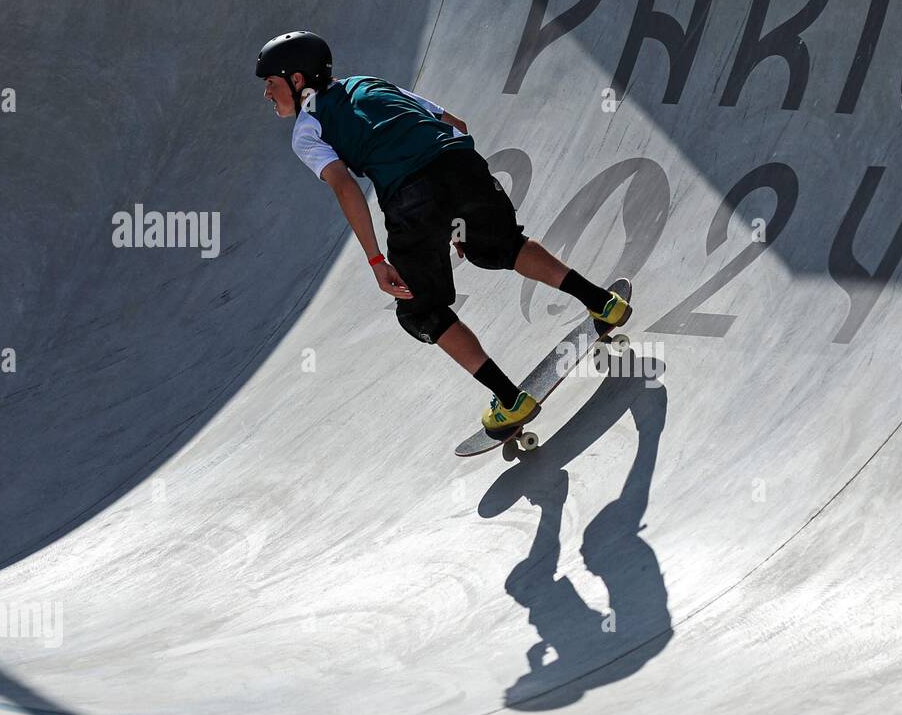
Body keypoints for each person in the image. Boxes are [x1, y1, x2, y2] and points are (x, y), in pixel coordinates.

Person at [255, 30, 630, 433]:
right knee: (504, 246)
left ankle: (510, 400)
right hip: (461, 163)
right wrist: (455, 215)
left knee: (421, 310)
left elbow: (346, 187)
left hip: (410, 197)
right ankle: (604, 303)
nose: (266, 95)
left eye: (270, 84)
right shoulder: (369, 83)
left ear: (297, 80)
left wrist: (376, 259)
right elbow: (455, 123)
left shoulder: (307, 129)